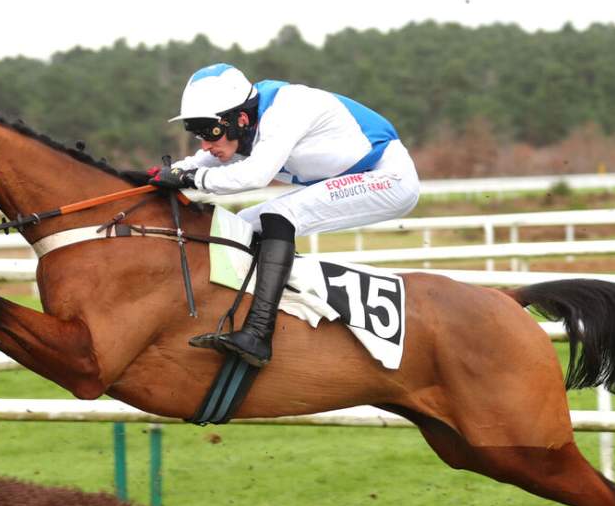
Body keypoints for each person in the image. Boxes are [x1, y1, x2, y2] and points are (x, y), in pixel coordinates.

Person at [150, 63, 420, 367]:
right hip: (353, 177)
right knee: (240, 225)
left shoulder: (286, 110)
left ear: (240, 119)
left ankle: (259, 333)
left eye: (211, 133)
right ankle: (251, 309)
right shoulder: (244, 123)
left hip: (388, 177)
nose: (206, 144)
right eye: (198, 133)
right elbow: (198, 163)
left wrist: (189, 179)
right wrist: (155, 177)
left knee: (279, 214)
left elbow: (254, 176)